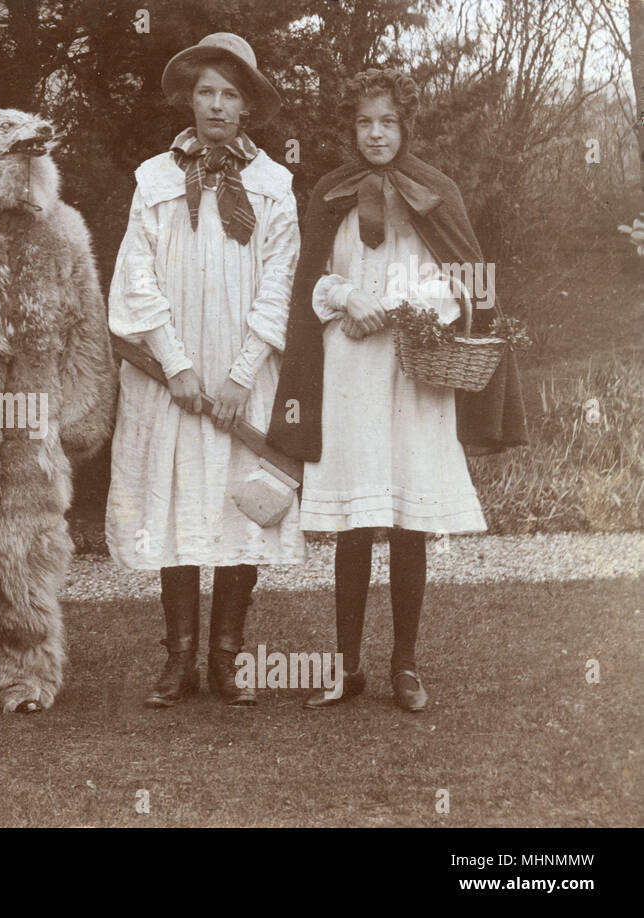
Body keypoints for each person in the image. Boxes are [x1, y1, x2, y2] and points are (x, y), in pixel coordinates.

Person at [267, 68, 527, 712]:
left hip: (418, 372)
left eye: (387, 121)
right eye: (364, 122)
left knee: (410, 520)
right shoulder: (331, 193)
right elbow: (313, 282)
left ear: (405, 125)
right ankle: (345, 666)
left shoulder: (435, 191)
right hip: (351, 368)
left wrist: (411, 304)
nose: (376, 133)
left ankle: (404, 666)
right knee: (358, 520)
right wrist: (347, 297)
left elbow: (468, 282)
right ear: (351, 129)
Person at [107, 33, 305, 709]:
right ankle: (178, 659)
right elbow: (136, 278)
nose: (217, 105)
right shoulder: (156, 181)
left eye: (230, 94)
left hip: (239, 377)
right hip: (177, 379)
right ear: (190, 99)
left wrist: (242, 373)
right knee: (176, 500)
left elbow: (281, 284)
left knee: (238, 503)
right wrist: (178, 364)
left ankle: (227, 657)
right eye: (206, 92)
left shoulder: (274, 188)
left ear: (247, 106)